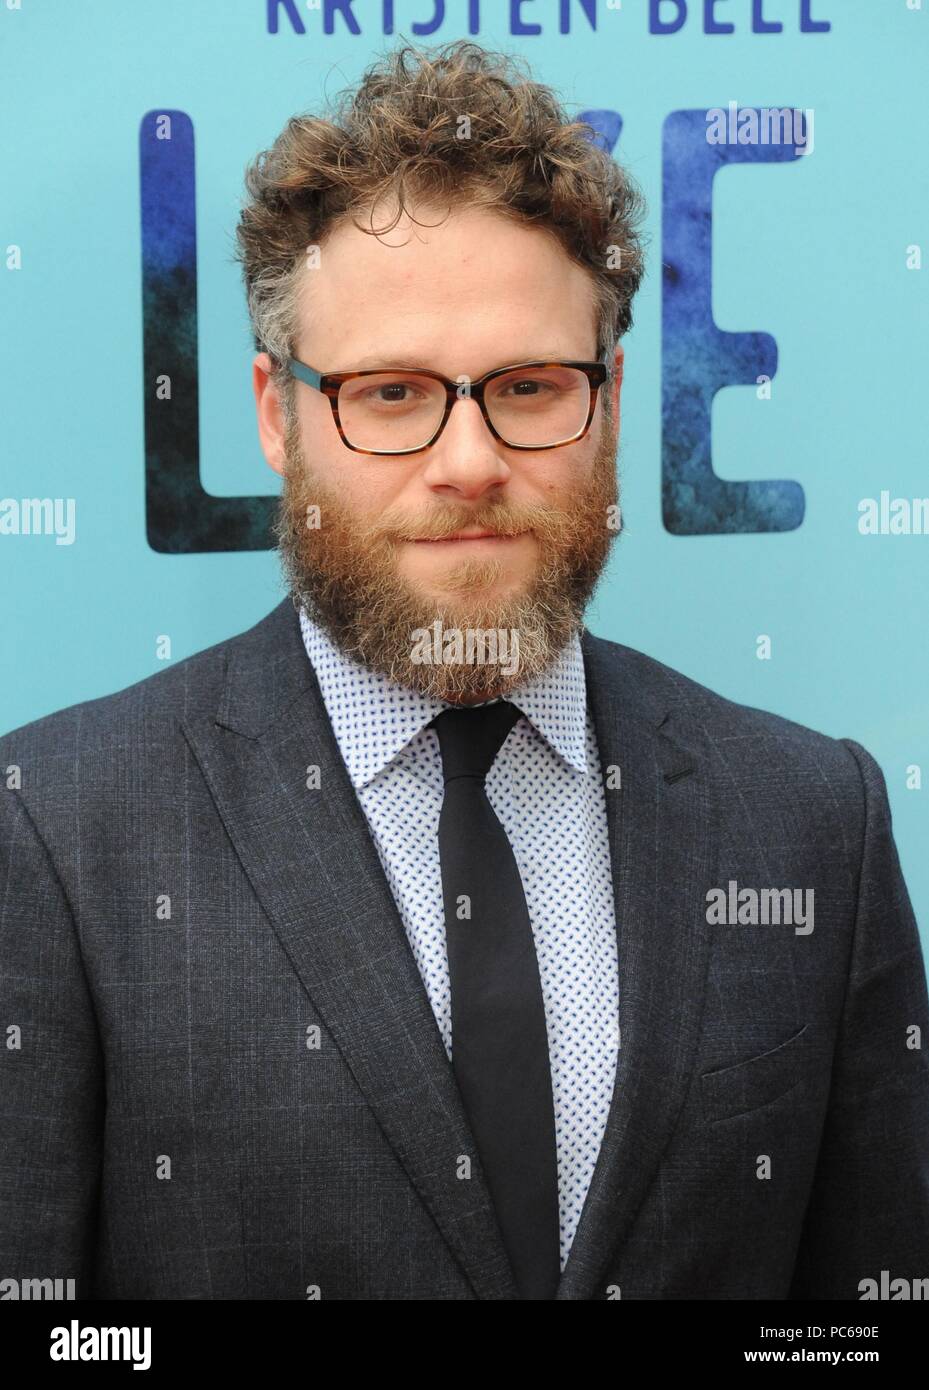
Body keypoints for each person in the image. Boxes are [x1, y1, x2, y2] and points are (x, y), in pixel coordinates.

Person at [1, 40, 927, 1302]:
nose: (469, 460)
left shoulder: (813, 819)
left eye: (529, 385)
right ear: (277, 414)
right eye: (389, 393)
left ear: (607, 399)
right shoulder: (53, 829)